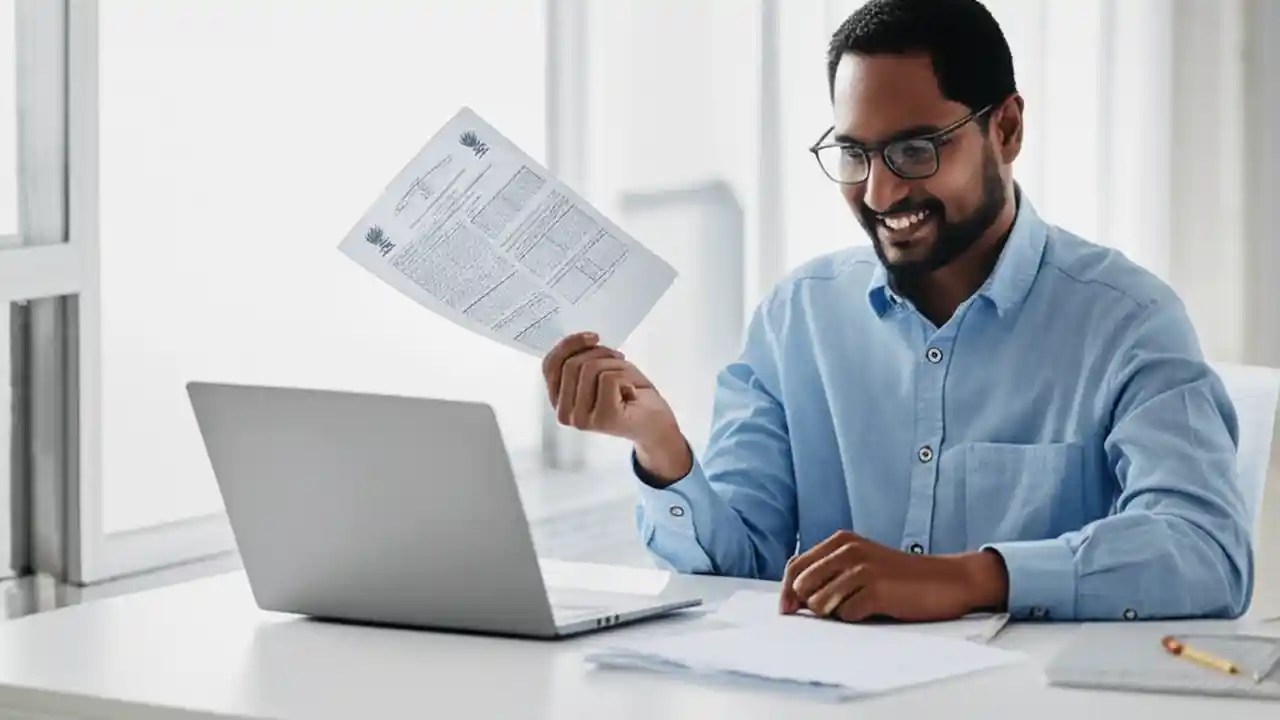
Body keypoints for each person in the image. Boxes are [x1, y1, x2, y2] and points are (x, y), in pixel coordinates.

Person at [540, 0, 1252, 623]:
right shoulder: (799, 320)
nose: (880, 194)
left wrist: (964, 579)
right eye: (855, 153)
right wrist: (661, 449)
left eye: (915, 150)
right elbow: (744, 564)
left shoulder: (1127, 320)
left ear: (1004, 130)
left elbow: (1205, 550)